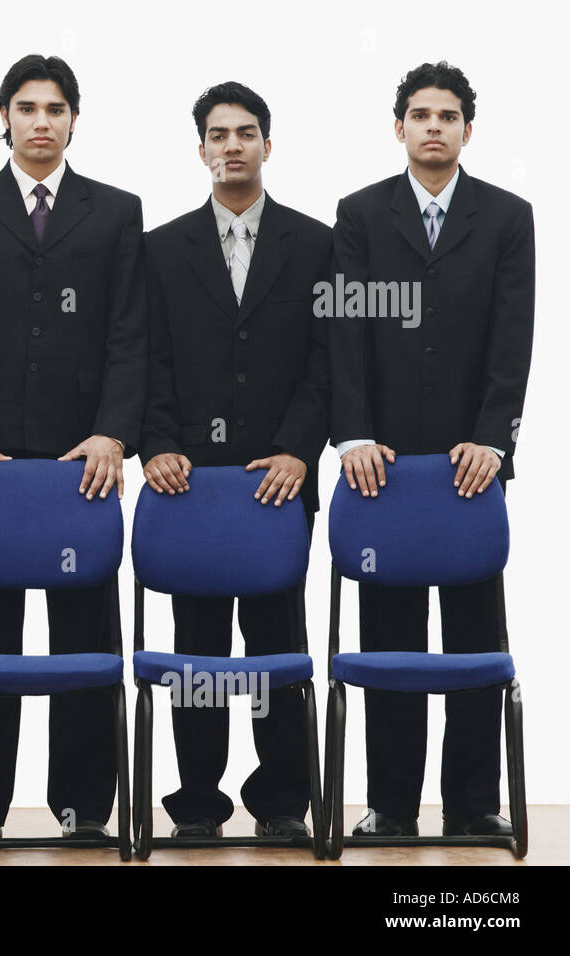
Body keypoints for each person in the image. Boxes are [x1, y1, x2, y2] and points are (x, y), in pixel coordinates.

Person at [330, 62, 535, 838]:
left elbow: (511, 340)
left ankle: (475, 803)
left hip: (469, 466)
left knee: (474, 633)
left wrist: (493, 437)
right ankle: (390, 805)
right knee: (390, 637)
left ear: (467, 131)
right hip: (381, 467)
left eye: (448, 116)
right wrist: (350, 433)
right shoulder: (359, 215)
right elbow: (344, 333)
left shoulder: (508, 217)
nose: (434, 127)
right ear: (399, 128)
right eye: (420, 114)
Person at [0, 54, 144, 841]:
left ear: (73, 121)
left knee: (84, 638)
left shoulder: (115, 210)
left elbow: (131, 333)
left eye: (55, 109)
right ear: (4, 117)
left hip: (79, 462)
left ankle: (84, 809)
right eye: (26, 108)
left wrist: (114, 431)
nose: (40, 121)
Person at [142, 81, 331, 838]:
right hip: (191, 483)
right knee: (198, 649)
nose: (231, 145)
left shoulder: (317, 243)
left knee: (277, 641)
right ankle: (196, 801)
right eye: (217, 135)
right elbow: (148, 359)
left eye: (245, 133)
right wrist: (157, 444)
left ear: (267, 146)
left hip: (279, 484)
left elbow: (327, 361)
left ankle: (283, 799)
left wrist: (296, 450)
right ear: (200, 150)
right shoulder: (160, 248)